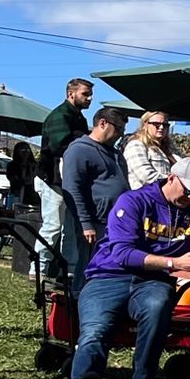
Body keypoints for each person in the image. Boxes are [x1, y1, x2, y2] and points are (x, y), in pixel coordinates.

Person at [69, 157, 190, 379]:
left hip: (153, 283)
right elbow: (123, 254)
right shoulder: (133, 201)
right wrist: (174, 262)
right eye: (187, 190)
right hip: (108, 276)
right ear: (172, 178)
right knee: (95, 330)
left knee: (157, 309)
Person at [35, 76, 93, 285]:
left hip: (68, 181)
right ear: (71, 93)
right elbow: (60, 146)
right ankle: (37, 271)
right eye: (85, 94)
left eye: (90, 94)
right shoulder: (59, 115)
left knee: (69, 227)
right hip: (52, 179)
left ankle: (67, 273)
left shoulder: (79, 117)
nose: (90, 98)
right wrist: (83, 140)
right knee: (52, 225)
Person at [61, 105, 130, 278]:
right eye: (118, 128)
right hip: (94, 222)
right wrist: (85, 223)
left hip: (114, 221)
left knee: (105, 267)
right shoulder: (79, 149)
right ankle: (78, 298)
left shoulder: (115, 153)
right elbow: (72, 188)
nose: (121, 134)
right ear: (102, 123)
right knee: (88, 265)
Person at [122, 110, 175, 188]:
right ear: (145, 125)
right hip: (145, 197)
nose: (161, 127)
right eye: (156, 124)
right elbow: (145, 176)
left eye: (165, 125)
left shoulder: (171, 149)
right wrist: (174, 182)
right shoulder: (136, 145)